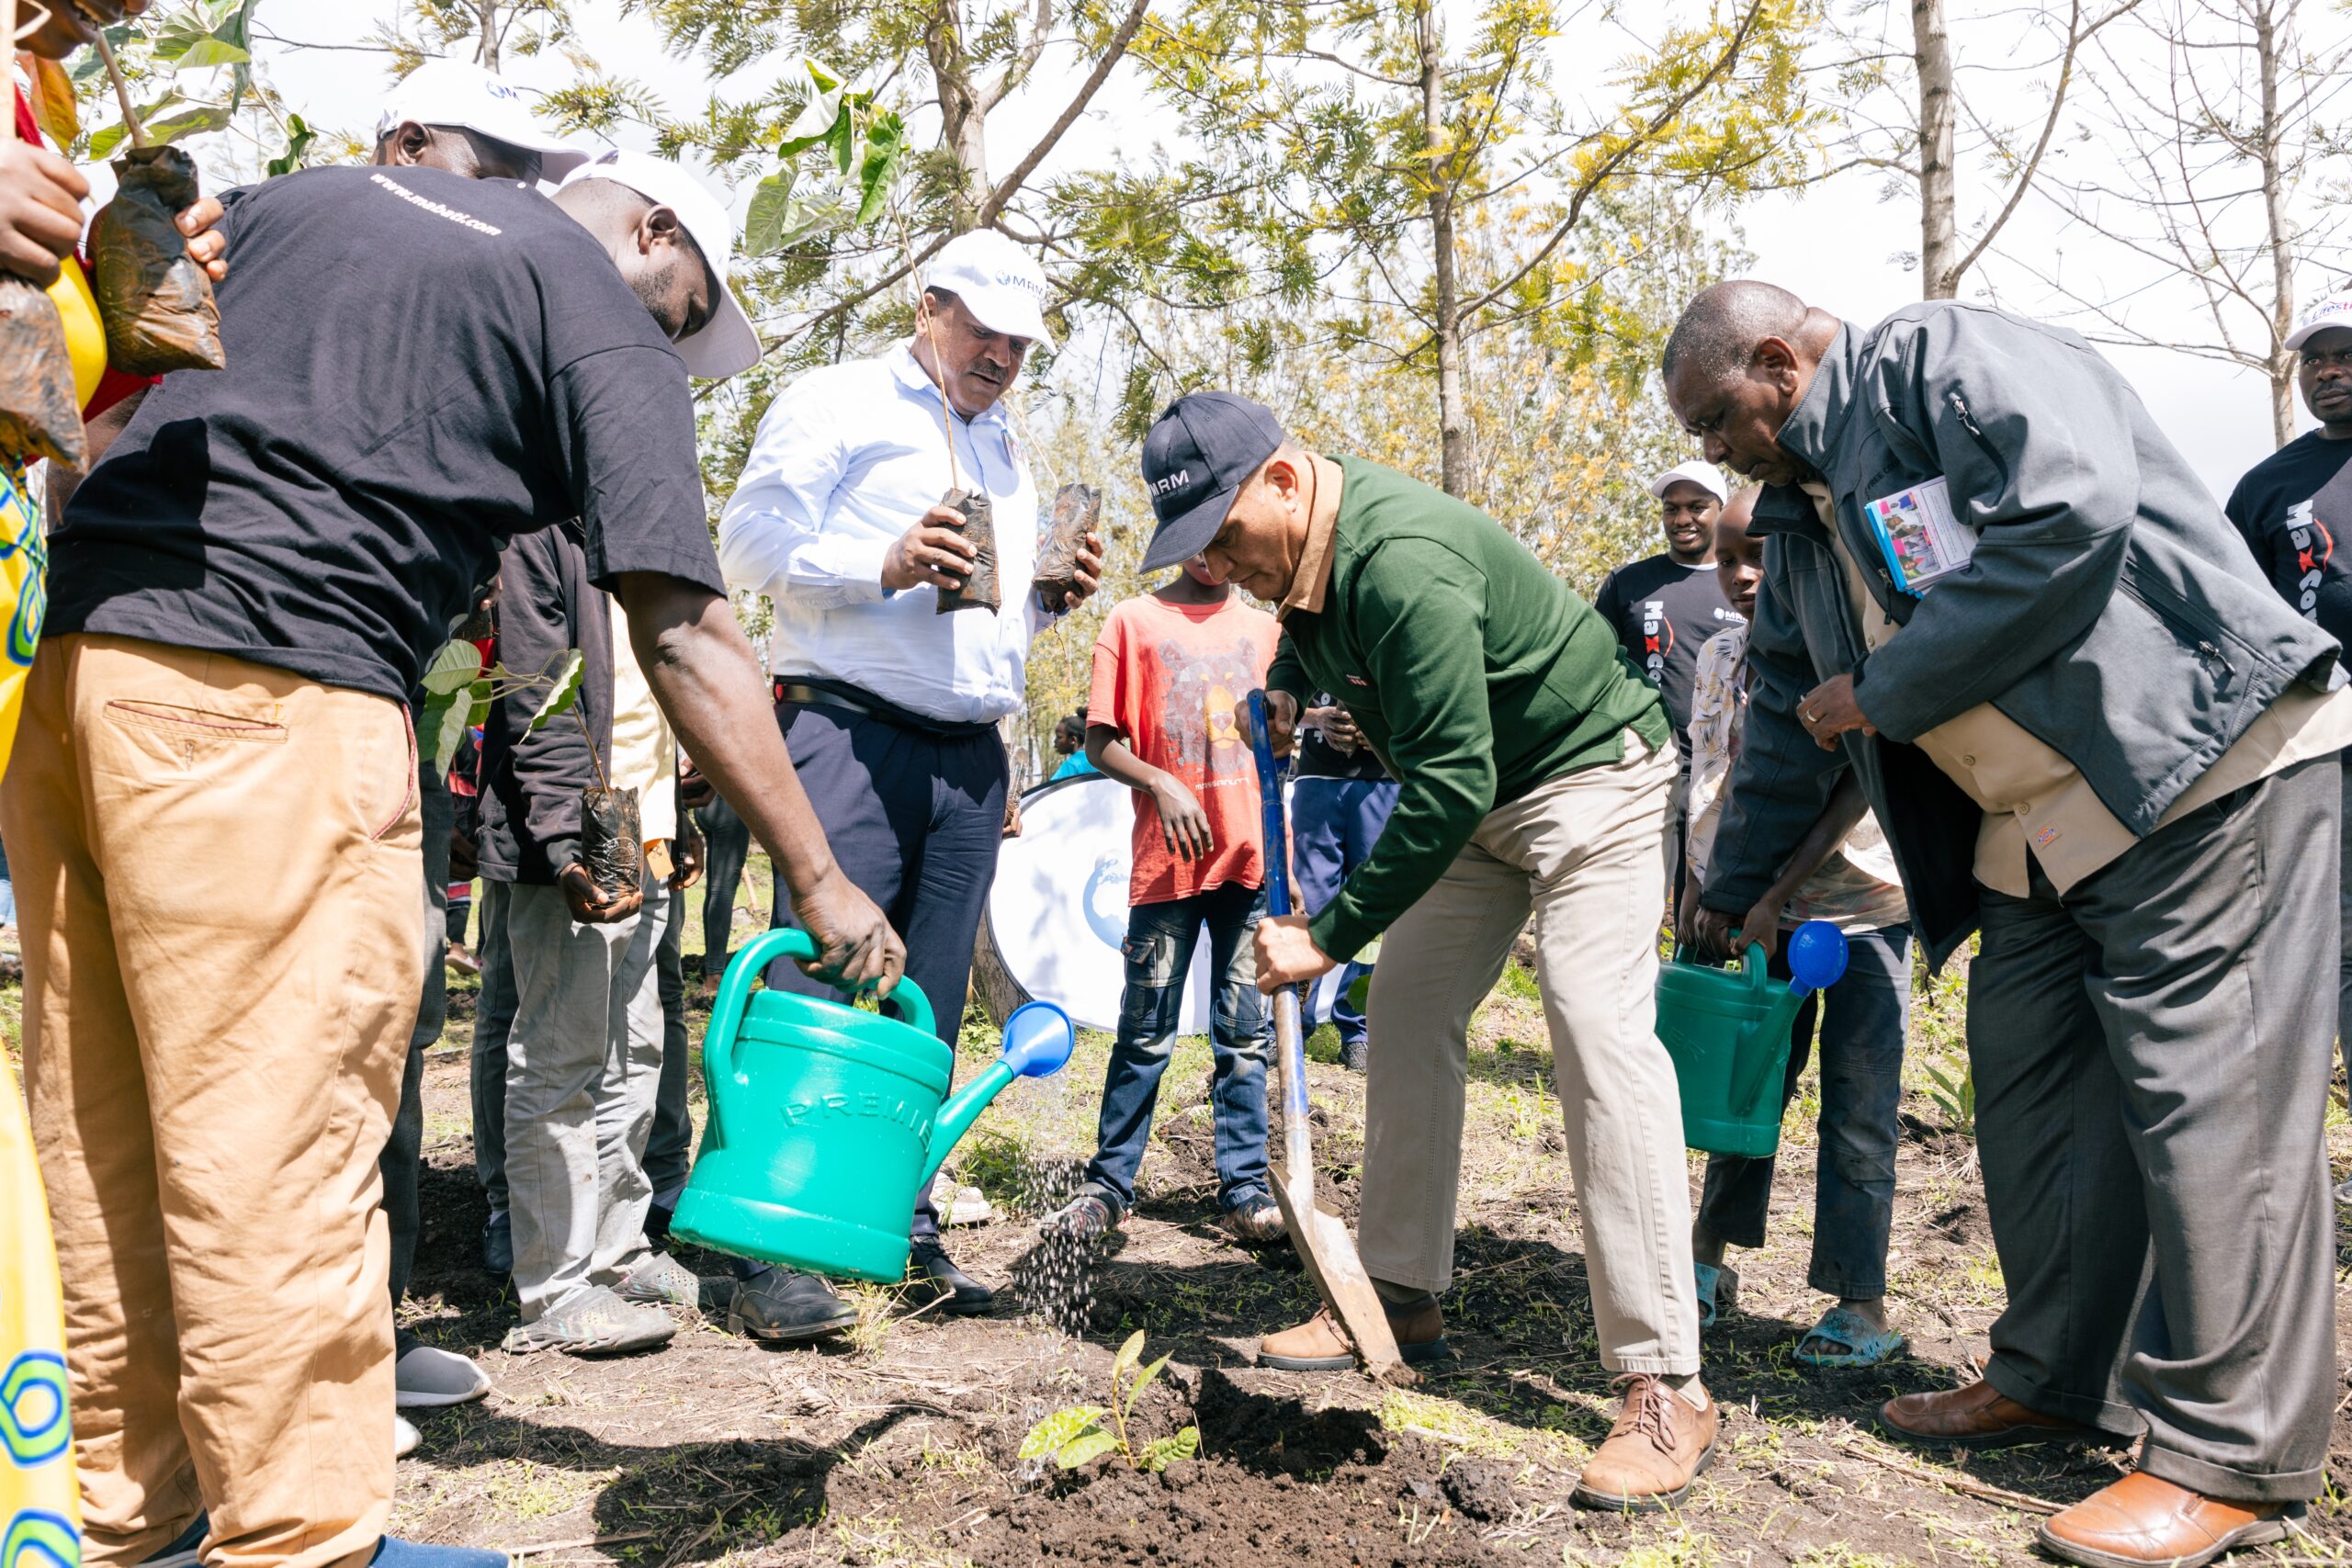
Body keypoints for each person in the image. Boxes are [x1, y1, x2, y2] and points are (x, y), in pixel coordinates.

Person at [10, 145, 901, 1568]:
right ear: (652, 235)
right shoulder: (595, 307)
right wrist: (821, 875)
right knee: (283, 1153)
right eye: (685, 310)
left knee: (104, 1148)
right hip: (274, 702)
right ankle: (297, 1543)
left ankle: (122, 1527)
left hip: (77, 679)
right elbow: (682, 626)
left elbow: (119, 375)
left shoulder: (303, 196)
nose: (669, 339)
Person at [1661, 279, 2352, 1568]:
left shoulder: (1939, 359)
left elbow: (2069, 513)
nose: (1711, 452)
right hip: (2041, 826)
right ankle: (2052, 1369)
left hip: (2204, 767)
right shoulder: (1806, 522)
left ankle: (2229, 1456)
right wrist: (1726, 886)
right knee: (2030, 1083)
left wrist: (1888, 685)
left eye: (1715, 417)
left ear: (1776, 359)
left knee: (2215, 1107)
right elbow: (1786, 718)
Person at [1133, 392, 1713, 1512]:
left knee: (1596, 1030)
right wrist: (1293, 680)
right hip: (1479, 803)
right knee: (1402, 1016)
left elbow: (1447, 780)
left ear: (1287, 480)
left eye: (1227, 534)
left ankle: (1664, 1381)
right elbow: (1328, 639)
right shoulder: (1307, 561)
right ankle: (1394, 1296)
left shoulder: (1401, 558)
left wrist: (1326, 937)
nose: (1221, 562)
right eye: (1197, 546)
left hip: (1590, 779)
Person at [716, 229, 1101, 1331]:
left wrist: (1042, 602)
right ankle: (767, 1243)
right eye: (982, 329)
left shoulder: (1009, 451)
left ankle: (896, 1220)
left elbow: (980, 617)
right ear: (925, 305)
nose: (1000, 356)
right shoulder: (836, 400)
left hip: (967, 756)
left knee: (925, 1008)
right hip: (848, 733)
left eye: (1020, 343)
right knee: (820, 974)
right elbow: (746, 545)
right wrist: (877, 561)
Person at [362, 59, 586, 1438]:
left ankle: (364, 1334)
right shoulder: (306, 257)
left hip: (392, 721)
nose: (514, 208)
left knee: (395, 1019)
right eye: (491, 171)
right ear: (401, 144)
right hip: (279, 693)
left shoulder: (461, 332)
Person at [1674, 489, 1914, 1367]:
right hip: (1742, 916)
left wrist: (1774, 891)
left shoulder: (1848, 650)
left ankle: (1860, 1301)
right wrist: (1697, 886)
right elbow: (1707, 776)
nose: (1743, 577)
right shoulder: (1719, 653)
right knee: (1740, 1090)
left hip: (1857, 913)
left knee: (1860, 1106)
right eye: (1729, 560)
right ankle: (1707, 1257)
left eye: (1762, 559)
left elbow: (1856, 783)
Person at [475, 513, 707, 1355]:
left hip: (645, 832)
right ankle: (555, 1285)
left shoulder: (654, 540)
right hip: (575, 838)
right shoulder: (540, 540)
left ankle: (619, 1250)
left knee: (637, 1050)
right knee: (562, 1055)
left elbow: (671, 692)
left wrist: (684, 811)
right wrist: (571, 848)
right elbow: (537, 710)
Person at [1040, 556, 1283, 1245]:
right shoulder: (1132, 621)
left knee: (1244, 1036)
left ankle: (1245, 1187)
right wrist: (1160, 783)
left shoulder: (1266, 631)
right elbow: (1101, 740)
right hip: (1166, 867)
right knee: (1145, 1031)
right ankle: (1109, 1184)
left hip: (1250, 861)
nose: (1214, 551)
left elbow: (1281, 735)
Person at [2223, 291, 2352, 1200]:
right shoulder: (2269, 488)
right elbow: (2235, 625)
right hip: (2322, 750)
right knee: (2332, 950)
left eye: (2344, 356)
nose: (2329, 374)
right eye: (2315, 360)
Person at [1591, 459, 1743, 899]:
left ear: (1720, 508)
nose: (1681, 519)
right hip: (1647, 764)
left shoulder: (1744, 582)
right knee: (1632, 895)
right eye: (1670, 509)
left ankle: (1699, 969)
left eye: (1696, 507)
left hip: (1724, 768)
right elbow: (1599, 667)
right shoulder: (1630, 582)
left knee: (1711, 900)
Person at [1288, 691, 1396, 1071]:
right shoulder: (1300, 635)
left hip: (1385, 776)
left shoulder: (1399, 632)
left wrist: (1382, 727)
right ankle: (1289, 1025)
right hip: (1318, 778)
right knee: (1307, 904)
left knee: (1374, 904)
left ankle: (1358, 1029)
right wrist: (1317, 717)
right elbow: (1276, 702)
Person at [1047, 712, 1098, 780]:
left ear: (1072, 740)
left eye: (1059, 737)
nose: (1055, 741)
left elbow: (1053, 788)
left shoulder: (1071, 764)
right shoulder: (1097, 761)